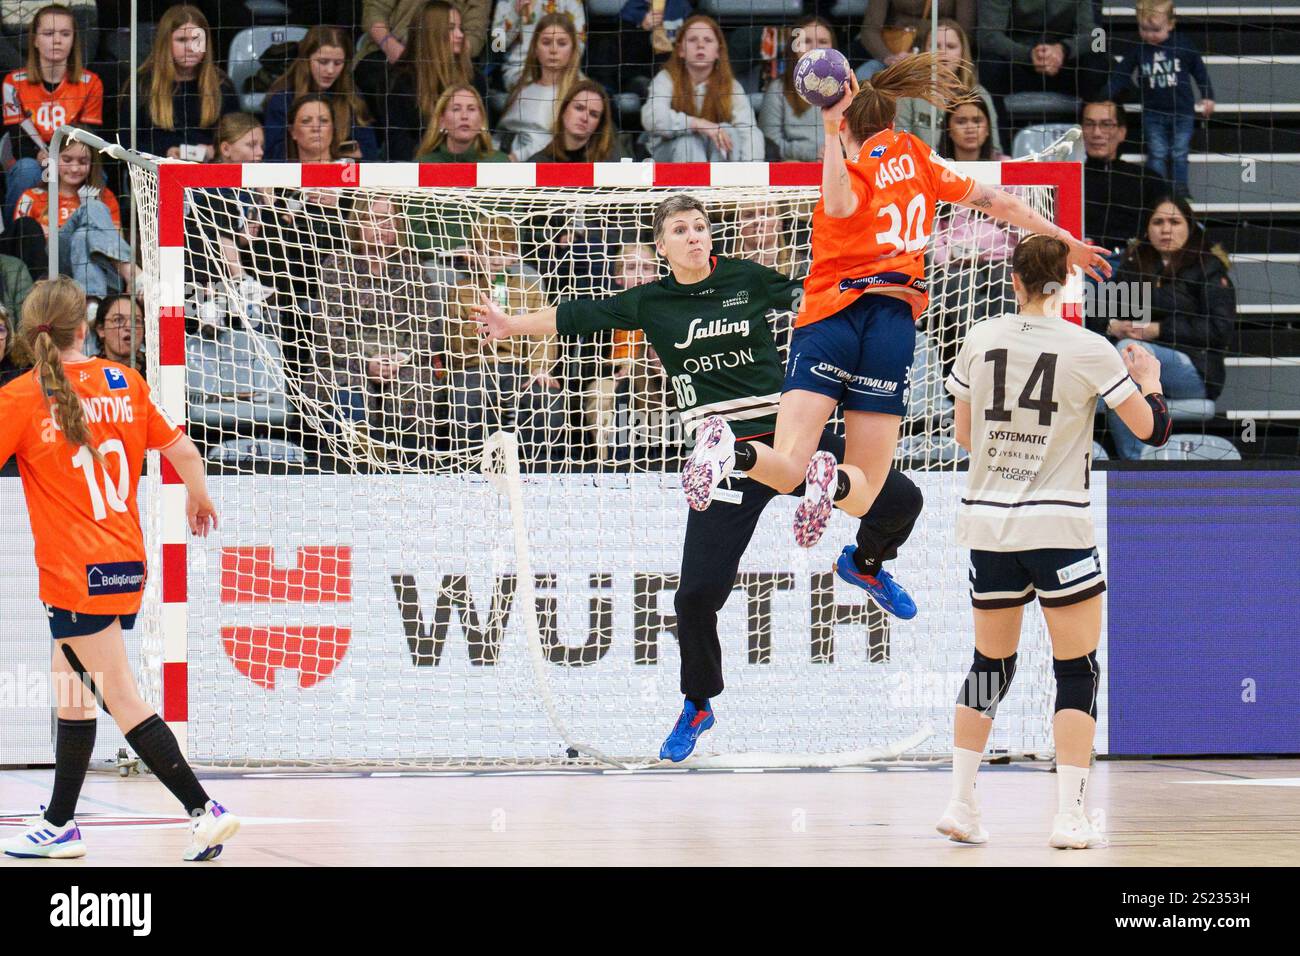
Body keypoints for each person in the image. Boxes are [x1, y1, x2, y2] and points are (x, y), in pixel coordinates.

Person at [471, 194, 925, 761]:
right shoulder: (650, 302)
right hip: (721, 460)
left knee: (903, 499)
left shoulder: (746, 279)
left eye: (701, 227)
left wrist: (880, 284)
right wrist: (510, 323)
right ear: (661, 246)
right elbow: (574, 315)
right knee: (695, 597)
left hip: (789, 437)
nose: (693, 236)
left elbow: (816, 294)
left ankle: (864, 564)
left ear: (711, 237)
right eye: (680, 229)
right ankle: (699, 705)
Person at [680, 55, 1111, 620]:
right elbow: (996, 202)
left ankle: (729, 450)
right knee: (867, 487)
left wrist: (830, 129)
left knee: (785, 461)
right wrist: (1064, 239)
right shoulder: (914, 154)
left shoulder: (847, 160)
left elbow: (837, 201)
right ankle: (827, 485)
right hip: (889, 321)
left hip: (830, 317)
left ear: (845, 121)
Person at [937, 235, 1170, 849]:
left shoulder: (981, 337)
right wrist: (1149, 378)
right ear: (1069, 284)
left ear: (1013, 281)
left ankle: (961, 803)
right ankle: (1069, 816)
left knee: (990, 665)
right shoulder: (1091, 348)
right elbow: (1154, 432)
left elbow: (965, 436)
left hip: (988, 525)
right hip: (1058, 526)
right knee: (1076, 669)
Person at [0, 277, 239, 862]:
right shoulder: (125, 381)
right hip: (125, 562)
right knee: (70, 686)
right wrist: (198, 497)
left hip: (75, 570)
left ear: (33, 335)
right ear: (84, 326)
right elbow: (185, 452)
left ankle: (203, 811)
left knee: (119, 696)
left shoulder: (23, 396)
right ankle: (60, 822)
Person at [1093, 195, 1235, 459]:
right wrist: (1113, 326)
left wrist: (1158, 330)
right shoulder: (1132, 264)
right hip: (1134, 365)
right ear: (1147, 228)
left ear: (1190, 227)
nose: (1166, 229)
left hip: (1194, 370)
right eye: (1158, 222)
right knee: (1122, 352)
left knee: (1129, 351)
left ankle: (1134, 461)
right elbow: (1100, 310)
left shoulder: (1209, 267)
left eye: (1174, 221)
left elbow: (1219, 329)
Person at [1, 4, 103, 224]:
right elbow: (17, 138)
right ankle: (15, 241)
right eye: (48, 34)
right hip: (32, 158)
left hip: (74, 157)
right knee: (26, 169)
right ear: (35, 40)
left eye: (65, 34)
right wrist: (41, 156)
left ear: (74, 40)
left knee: (98, 174)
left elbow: (90, 136)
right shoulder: (13, 82)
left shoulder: (91, 83)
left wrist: (65, 158)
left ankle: (92, 241)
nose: (57, 40)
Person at [1107, 0, 1214, 197]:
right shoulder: (1139, 49)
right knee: (1157, 152)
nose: (1149, 35)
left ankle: (1180, 189)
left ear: (1171, 25)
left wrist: (1207, 96)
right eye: (1143, 29)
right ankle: (1156, 190)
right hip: (1153, 112)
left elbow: (1199, 71)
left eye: (1155, 30)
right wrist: (1107, 96)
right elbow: (1121, 73)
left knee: (1179, 152)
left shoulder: (1182, 46)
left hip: (1182, 112)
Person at [356, 0, 476, 161]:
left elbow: (482, 139)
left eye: (460, 28)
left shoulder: (473, 78)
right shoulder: (399, 83)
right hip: (416, 172)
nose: (461, 35)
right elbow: (399, 147)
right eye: (451, 29)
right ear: (430, 34)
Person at [14, 134, 132, 297]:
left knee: (83, 233)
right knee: (90, 212)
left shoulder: (105, 196)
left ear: (92, 164)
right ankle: (131, 272)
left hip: (106, 277)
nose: (75, 168)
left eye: (83, 162)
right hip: (55, 276)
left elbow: (116, 240)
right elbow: (22, 246)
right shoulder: (32, 197)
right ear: (52, 159)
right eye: (67, 160)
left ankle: (92, 305)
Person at [118, 4, 238, 161]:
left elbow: (236, 138)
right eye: (182, 40)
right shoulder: (142, 85)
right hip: (155, 174)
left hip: (209, 174)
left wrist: (215, 150)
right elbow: (127, 144)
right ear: (165, 42)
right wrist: (165, 153)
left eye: (197, 39)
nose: (191, 48)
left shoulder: (222, 85)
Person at [978, 0, 1104, 150]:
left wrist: (1063, 49)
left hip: (1064, 64)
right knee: (989, 64)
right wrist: (1028, 55)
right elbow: (987, 37)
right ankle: (999, 152)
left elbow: (1096, 36)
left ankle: (1091, 154)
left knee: (1098, 62)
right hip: (1016, 62)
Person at [640, 14, 763, 163]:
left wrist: (751, 177)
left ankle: (727, 186)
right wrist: (698, 124)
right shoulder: (665, 78)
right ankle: (691, 187)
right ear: (680, 51)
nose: (700, 45)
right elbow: (652, 117)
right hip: (668, 158)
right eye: (692, 40)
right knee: (688, 142)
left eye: (708, 40)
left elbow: (749, 130)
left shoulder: (730, 85)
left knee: (727, 131)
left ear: (718, 51)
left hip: (715, 158)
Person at [263, 26, 378, 162]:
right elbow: (274, 155)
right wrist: (334, 151)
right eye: (323, 62)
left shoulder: (352, 97)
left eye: (338, 63)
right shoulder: (282, 98)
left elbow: (368, 151)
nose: (330, 70)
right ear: (306, 59)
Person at [892, 19, 1000, 154]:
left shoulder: (979, 94)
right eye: (935, 46)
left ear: (962, 52)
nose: (943, 53)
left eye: (951, 46)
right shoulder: (909, 93)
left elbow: (994, 150)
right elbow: (899, 145)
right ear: (924, 52)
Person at [1080, 99, 1170, 257]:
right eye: (1089, 124)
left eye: (1106, 124)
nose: (1097, 133)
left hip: (1134, 265)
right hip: (1079, 265)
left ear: (1122, 132)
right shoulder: (1070, 179)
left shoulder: (1147, 180)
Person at [499, 13, 583, 162]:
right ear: (535, 49)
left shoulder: (579, 95)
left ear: (572, 50)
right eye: (546, 42)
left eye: (562, 43)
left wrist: (513, 158)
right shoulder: (521, 90)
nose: (553, 50)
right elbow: (500, 135)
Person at [759, 16, 836, 162]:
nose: (815, 48)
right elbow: (769, 144)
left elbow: (857, 139)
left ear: (833, 47)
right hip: (795, 168)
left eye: (823, 42)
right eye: (806, 41)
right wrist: (812, 153)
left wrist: (837, 152)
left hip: (840, 165)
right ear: (794, 47)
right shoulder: (778, 89)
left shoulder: (848, 88)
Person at [857, 0, 975, 79]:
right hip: (894, 54)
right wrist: (889, 58)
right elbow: (869, 30)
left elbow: (965, 32)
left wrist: (922, 57)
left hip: (939, 54)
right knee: (865, 74)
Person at [490, 0, 586, 92]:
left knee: (585, 93)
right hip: (521, 68)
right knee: (536, 92)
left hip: (564, 67)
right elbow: (498, 45)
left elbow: (578, 44)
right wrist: (514, 14)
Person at [528, 79, 625, 162]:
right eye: (579, 108)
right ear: (563, 110)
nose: (584, 118)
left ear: (599, 124)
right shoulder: (538, 162)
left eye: (593, 114)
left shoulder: (611, 163)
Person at [413, 84, 508, 163]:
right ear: (442, 121)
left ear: (481, 121)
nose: (464, 116)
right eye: (456, 109)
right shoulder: (422, 164)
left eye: (471, 109)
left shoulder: (499, 163)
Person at [89, 292, 145, 368]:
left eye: (136, 321)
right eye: (118, 320)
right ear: (101, 329)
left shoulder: (156, 370)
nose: (129, 326)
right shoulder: (88, 370)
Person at [284, 93, 341, 163]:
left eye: (324, 120)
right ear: (292, 131)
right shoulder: (282, 172)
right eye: (306, 121)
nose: (316, 128)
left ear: (333, 128)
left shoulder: (353, 170)